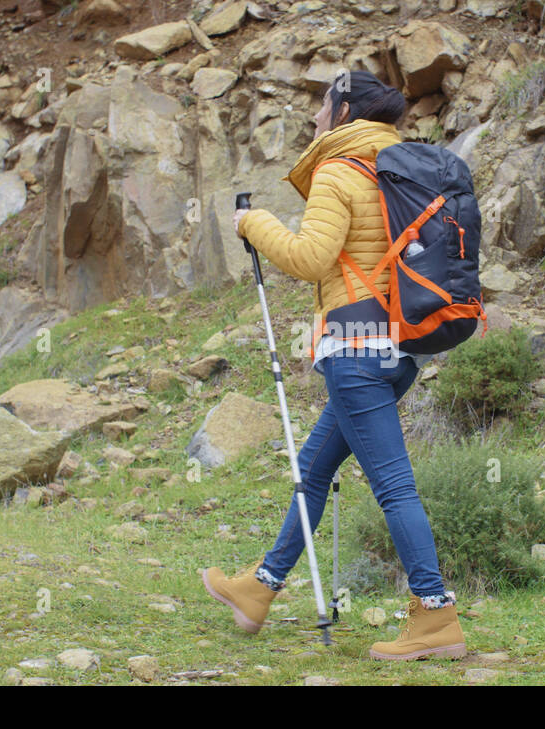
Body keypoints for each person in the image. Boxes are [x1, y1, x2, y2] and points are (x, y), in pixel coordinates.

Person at [201, 71, 467, 661]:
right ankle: (260, 588)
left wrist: (254, 224)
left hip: (353, 346)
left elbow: (309, 257)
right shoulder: (401, 169)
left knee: (393, 486)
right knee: (313, 469)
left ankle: (435, 614)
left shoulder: (339, 168)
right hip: (398, 347)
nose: (315, 120)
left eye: (322, 107)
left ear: (343, 110)